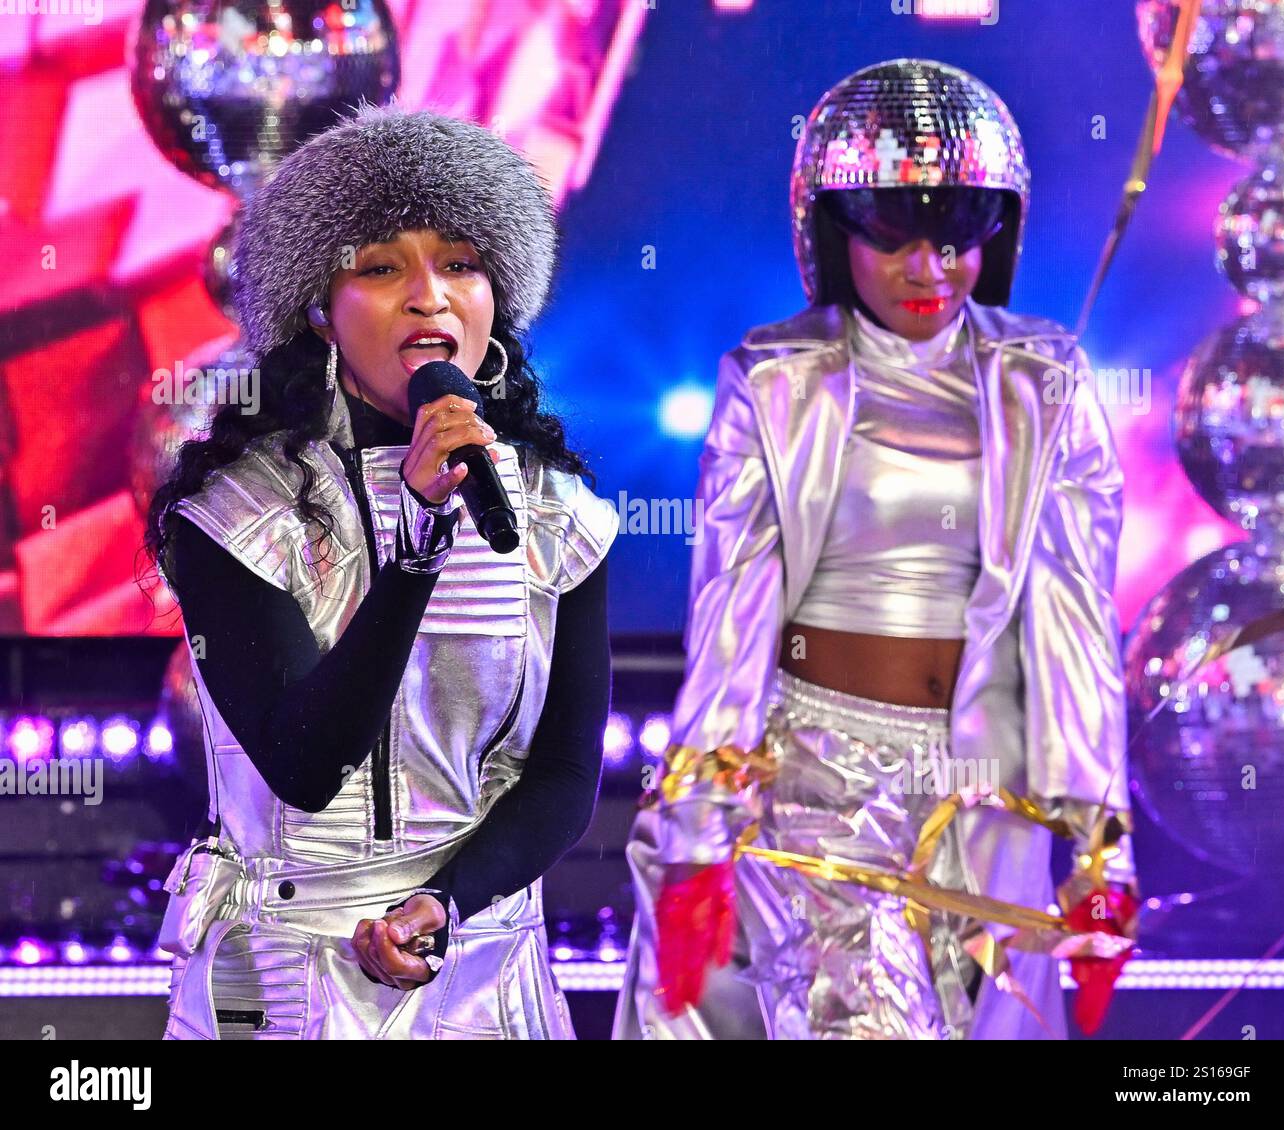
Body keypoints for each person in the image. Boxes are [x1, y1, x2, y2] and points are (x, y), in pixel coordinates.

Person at [614, 59, 1138, 1041]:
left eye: (958, 235)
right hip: (815, 781)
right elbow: (732, 613)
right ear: (831, 227)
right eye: (892, 236)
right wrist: (695, 836)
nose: (927, 269)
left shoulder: (1045, 377)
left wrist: (1100, 853)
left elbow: (1071, 619)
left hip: (990, 790)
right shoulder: (773, 378)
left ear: (1001, 227)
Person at [145, 101, 618, 1039]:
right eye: (381, 266)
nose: (428, 295)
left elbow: (563, 772)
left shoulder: (559, 514)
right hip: (286, 975)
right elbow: (306, 763)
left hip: (482, 968)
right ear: (319, 308)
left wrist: (447, 903)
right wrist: (417, 543)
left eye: (459, 263)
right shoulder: (236, 516)